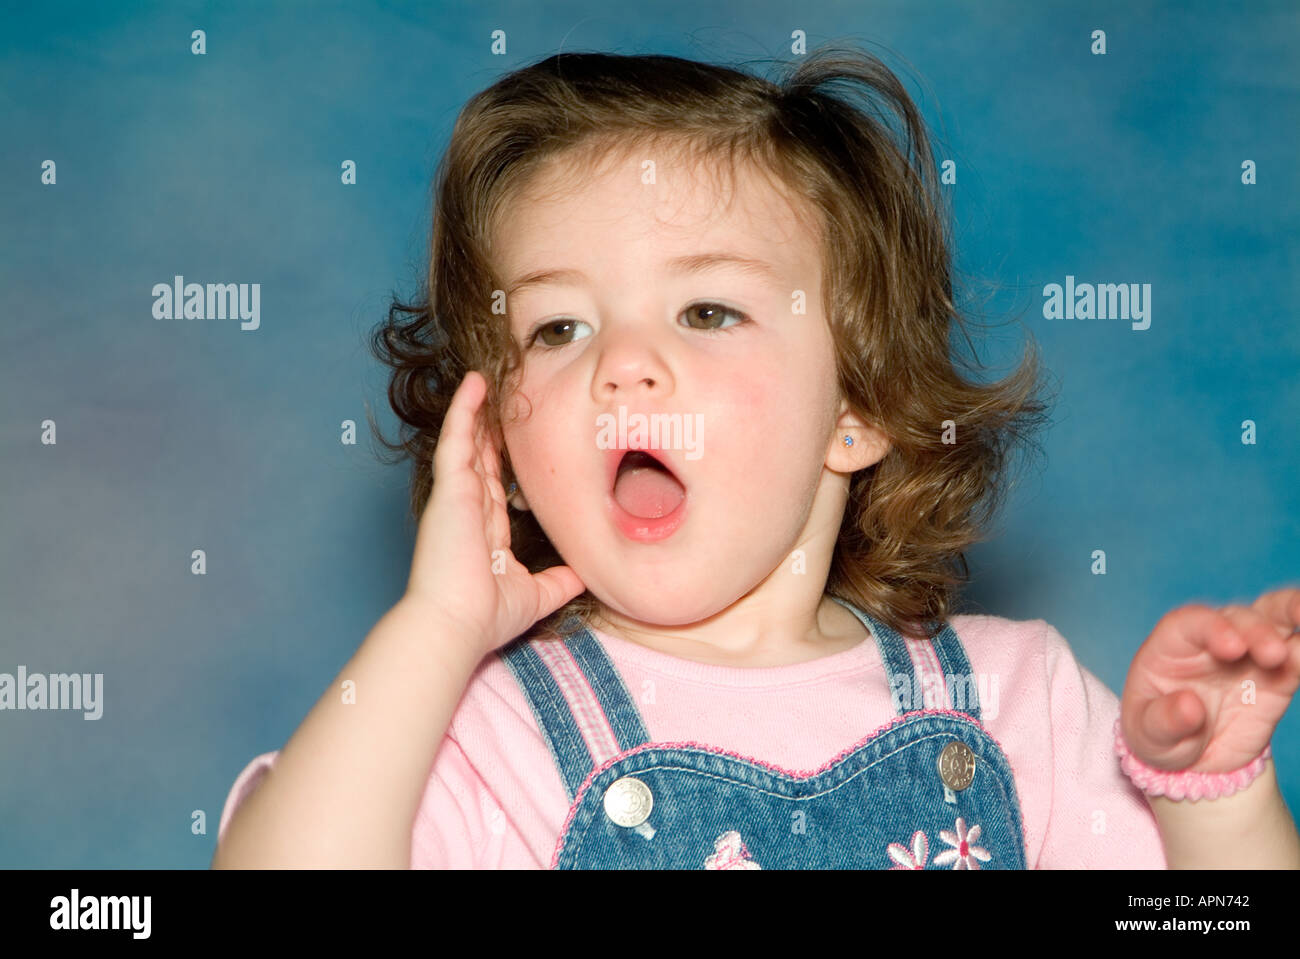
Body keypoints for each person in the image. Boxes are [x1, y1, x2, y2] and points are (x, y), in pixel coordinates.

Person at [211, 45, 1300, 869]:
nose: (622, 366)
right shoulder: (486, 734)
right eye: (558, 327)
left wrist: (1210, 792)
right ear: (497, 438)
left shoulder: (1018, 705)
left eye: (706, 310)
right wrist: (435, 629)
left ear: (858, 406)